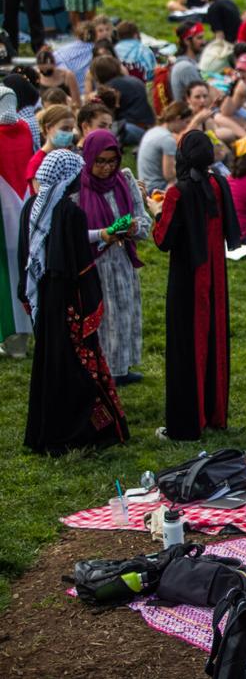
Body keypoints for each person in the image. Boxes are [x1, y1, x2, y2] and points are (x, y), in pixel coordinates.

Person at [19, 149, 128, 453]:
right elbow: (81, 265)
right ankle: (79, 431)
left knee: (49, 363)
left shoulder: (33, 207)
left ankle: (48, 430)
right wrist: (92, 304)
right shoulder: (70, 214)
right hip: (71, 301)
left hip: (48, 298)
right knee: (77, 366)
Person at [152, 131, 240, 441]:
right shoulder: (217, 183)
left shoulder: (179, 192)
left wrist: (155, 212)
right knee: (213, 342)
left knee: (186, 348)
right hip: (215, 275)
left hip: (188, 278)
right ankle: (213, 413)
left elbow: (163, 239)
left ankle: (186, 423)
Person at [78, 130, 151, 385]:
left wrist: (134, 228)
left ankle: (120, 367)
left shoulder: (124, 180)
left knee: (125, 312)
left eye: (111, 161)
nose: (106, 168)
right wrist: (103, 234)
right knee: (103, 317)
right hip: (94, 263)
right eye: (100, 161)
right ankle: (102, 369)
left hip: (121, 258)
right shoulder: (78, 188)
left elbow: (143, 220)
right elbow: (72, 233)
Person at [0, 85, 33, 357]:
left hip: (5, 217)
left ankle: (12, 340)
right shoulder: (24, 129)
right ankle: (22, 339)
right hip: (24, 213)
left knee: (8, 279)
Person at [90, 55, 155, 147]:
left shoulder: (109, 87)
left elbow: (105, 114)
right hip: (147, 127)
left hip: (129, 129)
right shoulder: (134, 80)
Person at [136, 102, 192, 195]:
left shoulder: (154, 131)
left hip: (145, 185)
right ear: (178, 119)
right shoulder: (167, 139)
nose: (186, 127)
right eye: (186, 122)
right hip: (156, 188)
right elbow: (169, 175)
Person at [26, 104, 74, 194]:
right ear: (48, 128)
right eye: (64, 128)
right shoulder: (37, 162)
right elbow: (43, 199)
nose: (69, 133)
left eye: (71, 129)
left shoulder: (70, 156)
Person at [183, 78, 246, 144]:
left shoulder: (209, 116)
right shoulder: (183, 116)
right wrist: (196, 121)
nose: (202, 100)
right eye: (197, 97)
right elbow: (181, 141)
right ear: (188, 99)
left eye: (205, 96)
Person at [170, 20, 207, 102]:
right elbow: (203, 100)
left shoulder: (191, 63)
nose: (204, 42)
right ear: (187, 41)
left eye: (203, 37)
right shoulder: (186, 67)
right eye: (199, 38)